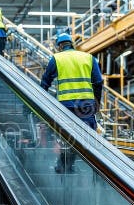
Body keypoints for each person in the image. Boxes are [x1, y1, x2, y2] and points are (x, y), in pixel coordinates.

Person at [40, 33, 103, 173]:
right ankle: (96, 170)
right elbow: (98, 82)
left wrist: (41, 101)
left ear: (59, 46)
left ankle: (63, 166)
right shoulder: (88, 58)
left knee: (67, 137)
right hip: (86, 105)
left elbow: (45, 82)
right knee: (88, 137)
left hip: (65, 106)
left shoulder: (57, 58)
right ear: (71, 43)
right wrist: (97, 102)